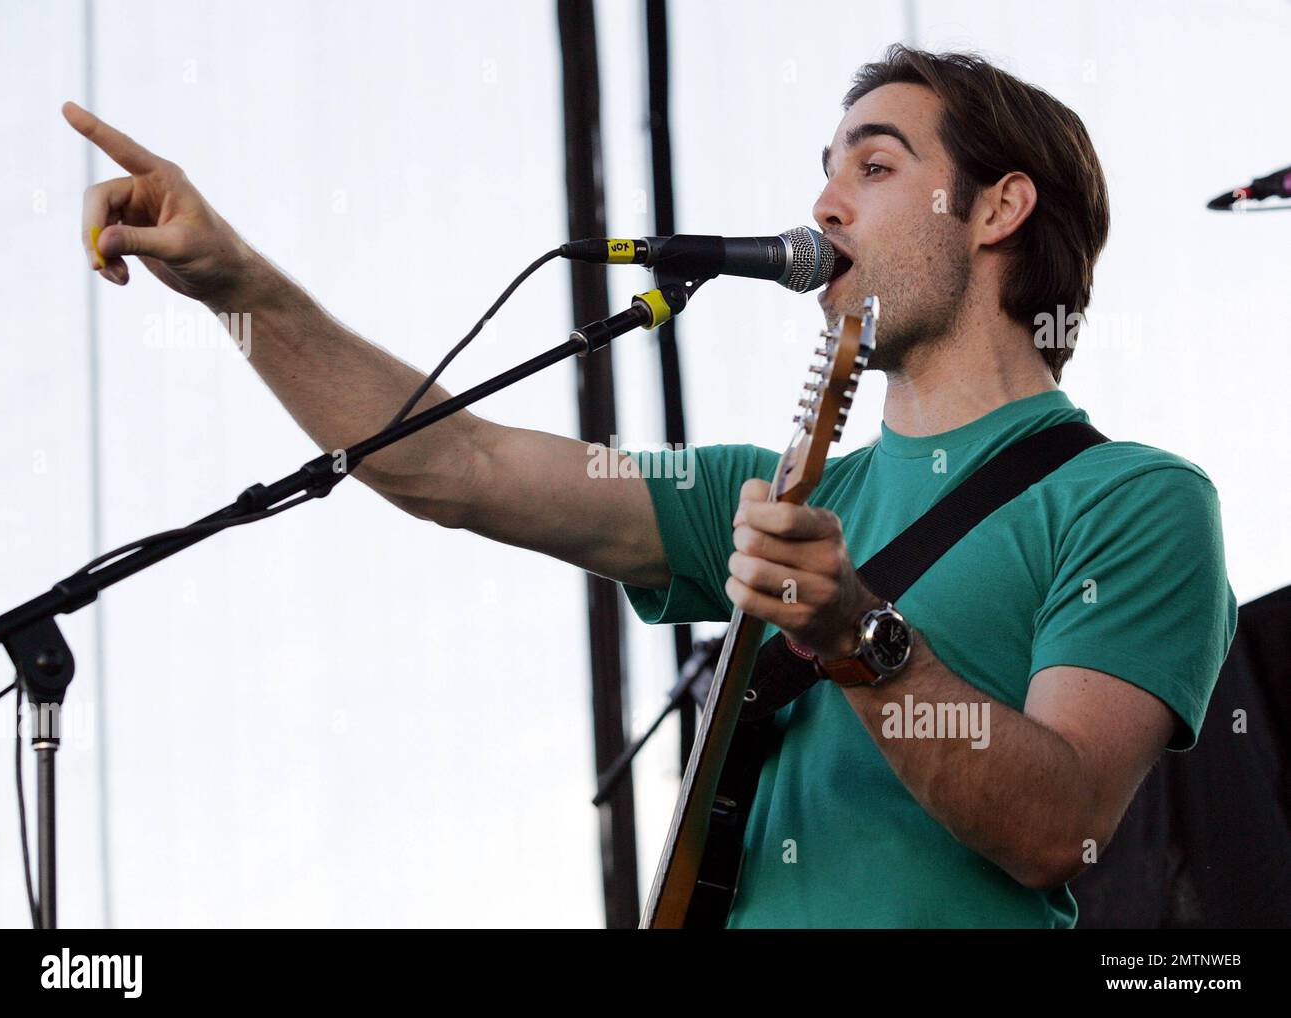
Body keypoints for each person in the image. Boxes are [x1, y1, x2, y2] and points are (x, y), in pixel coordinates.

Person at [63, 43, 1236, 928]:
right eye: (823, 172)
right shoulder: (760, 490)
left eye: (875, 165)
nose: (824, 205)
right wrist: (238, 287)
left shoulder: (1130, 500)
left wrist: (859, 636)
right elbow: (454, 463)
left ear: (997, 207)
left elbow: (1060, 832)